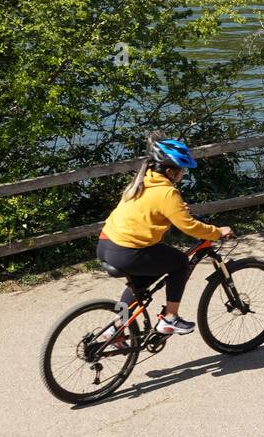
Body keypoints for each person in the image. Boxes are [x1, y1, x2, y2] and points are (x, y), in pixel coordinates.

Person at [97, 134, 233, 336]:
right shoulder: (167, 192)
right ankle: (170, 319)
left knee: (139, 286)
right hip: (129, 251)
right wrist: (216, 232)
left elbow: (148, 212)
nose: (183, 174)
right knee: (179, 262)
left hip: (107, 245)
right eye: (182, 170)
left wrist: (175, 211)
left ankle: (115, 330)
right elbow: (190, 227)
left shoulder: (143, 182)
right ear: (170, 171)